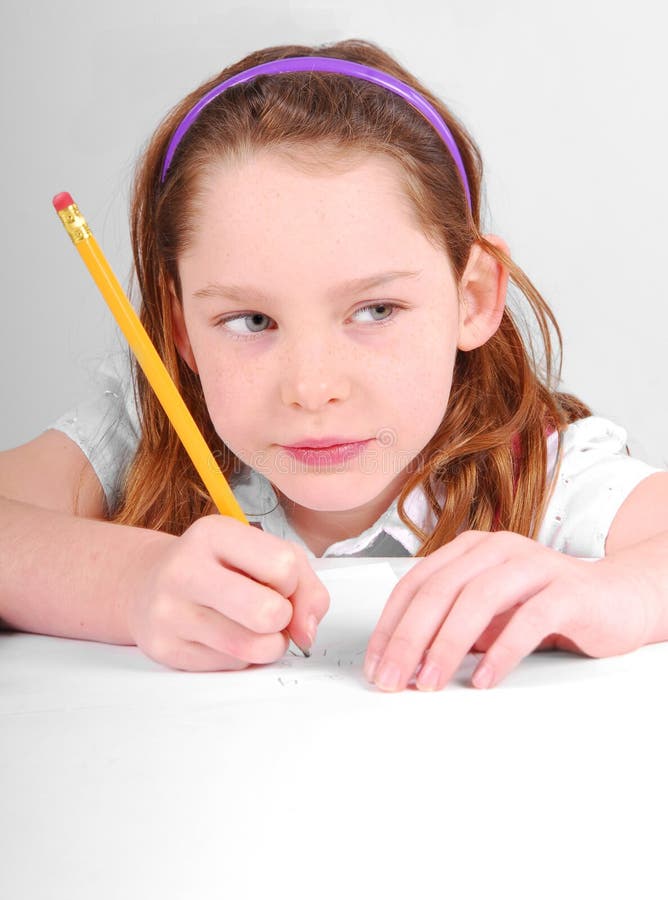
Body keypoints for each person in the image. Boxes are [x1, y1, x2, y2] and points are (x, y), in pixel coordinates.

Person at [1, 39, 667, 693]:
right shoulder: (147, 431)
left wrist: (611, 594)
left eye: (375, 310)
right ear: (180, 328)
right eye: (252, 321)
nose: (313, 389)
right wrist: (133, 582)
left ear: (472, 298)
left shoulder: (541, 471)